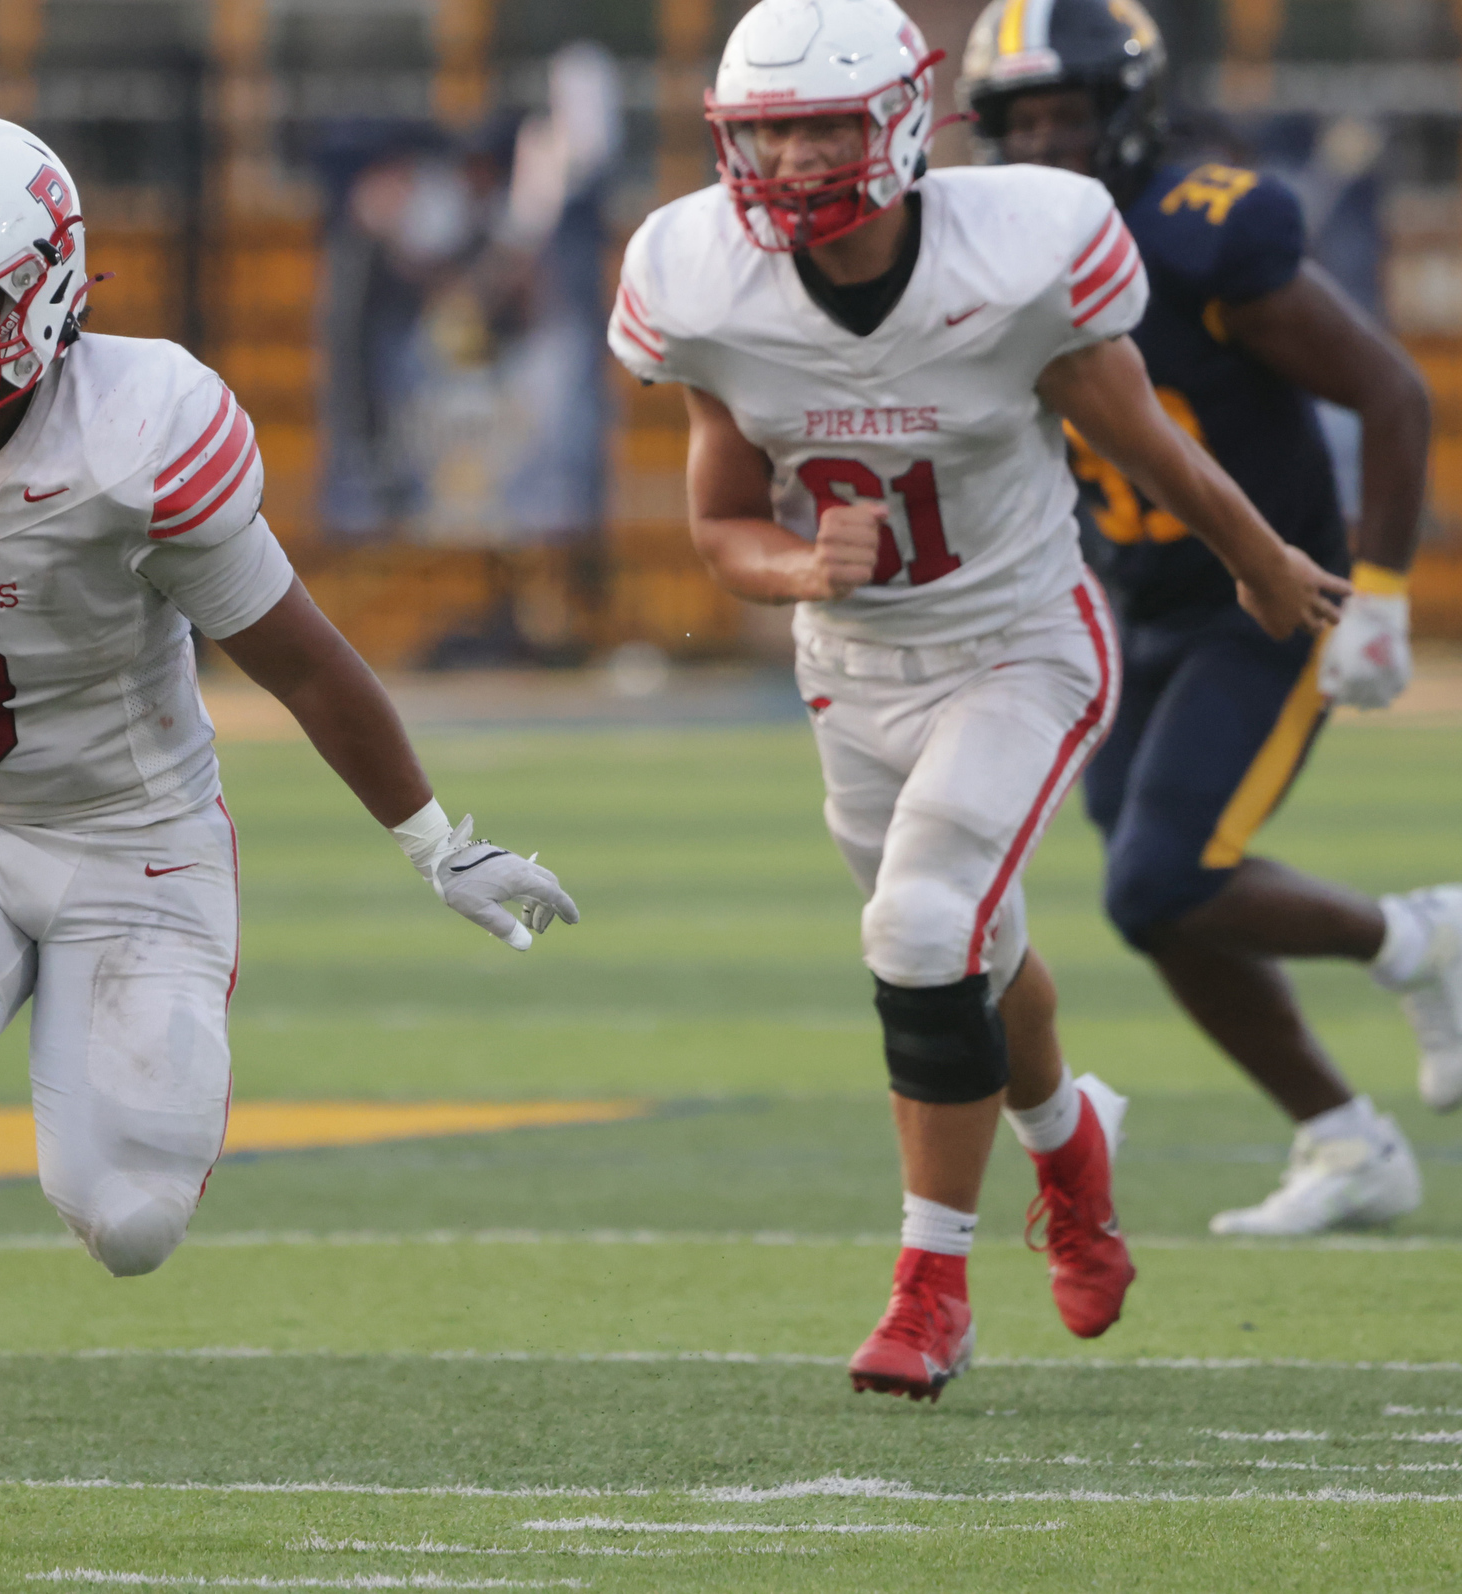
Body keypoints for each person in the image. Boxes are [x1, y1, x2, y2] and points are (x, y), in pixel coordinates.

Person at [0, 115, 579, 1547]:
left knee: (129, 1220)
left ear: (46, 291)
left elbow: (304, 658)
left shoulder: (143, 429)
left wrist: (436, 840)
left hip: (135, 831)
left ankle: (154, 1040)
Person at [609, 0, 1347, 1400]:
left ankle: (927, 1285)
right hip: (853, 671)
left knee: (921, 921)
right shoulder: (697, 275)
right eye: (766, 131)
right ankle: (1071, 1147)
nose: (794, 159)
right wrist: (791, 566)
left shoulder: (1017, 252)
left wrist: (1261, 562)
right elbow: (718, 527)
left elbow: (1147, 437)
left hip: (1022, 641)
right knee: (973, 954)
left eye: (823, 124)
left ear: (898, 119)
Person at [959, 0, 1454, 1238]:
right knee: (1150, 898)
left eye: (1067, 113)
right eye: (1019, 121)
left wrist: (1378, 595)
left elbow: (1389, 390)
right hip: (1135, 602)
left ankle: (1420, 936)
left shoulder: (1195, 231)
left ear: (1122, 112)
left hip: (1266, 591)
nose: (1044, 144)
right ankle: (1346, 1137)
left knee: (1164, 870)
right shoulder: (977, 249)